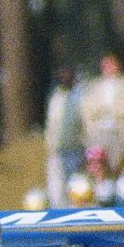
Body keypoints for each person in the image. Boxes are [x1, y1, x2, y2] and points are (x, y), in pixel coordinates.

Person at [80, 53, 124, 166]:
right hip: (98, 132)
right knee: (99, 165)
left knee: (117, 165)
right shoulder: (94, 85)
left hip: (120, 131)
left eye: (111, 64)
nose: (108, 67)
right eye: (105, 65)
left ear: (117, 65)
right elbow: (88, 109)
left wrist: (104, 108)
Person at [42, 66, 86, 208]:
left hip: (76, 148)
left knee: (76, 184)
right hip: (57, 149)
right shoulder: (56, 97)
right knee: (56, 187)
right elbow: (52, 123)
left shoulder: (80, 95)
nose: (64, 78)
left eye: (67, 75)